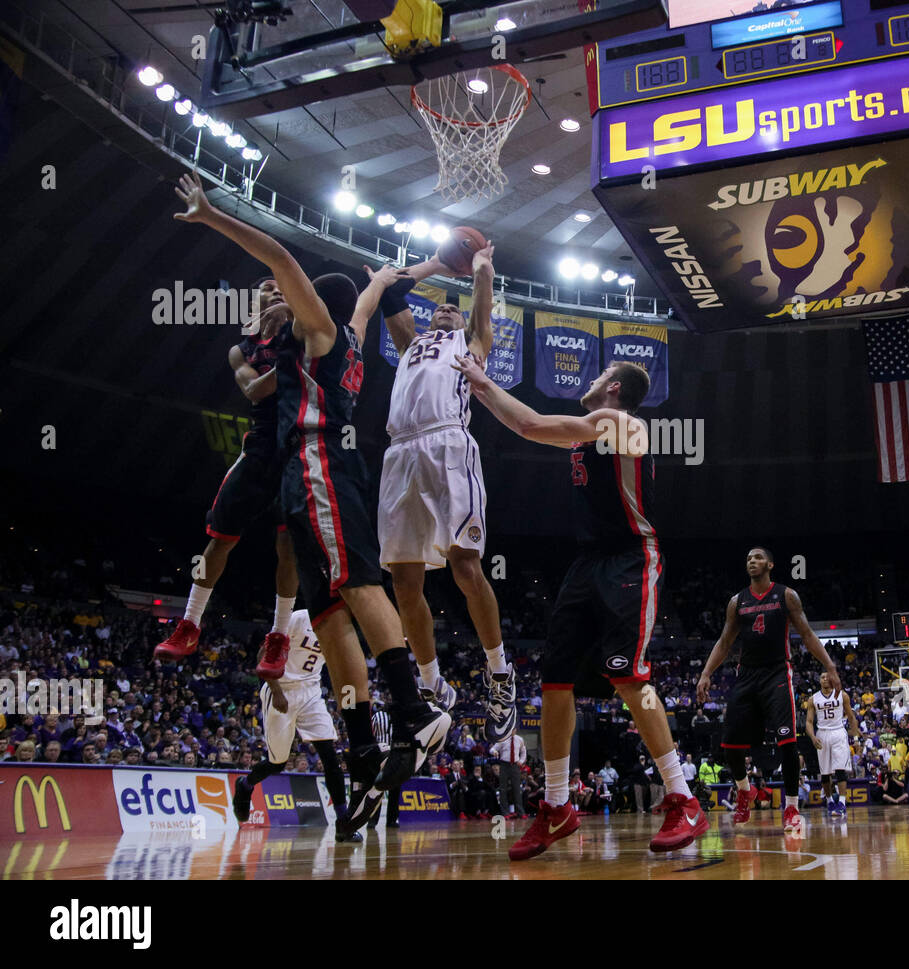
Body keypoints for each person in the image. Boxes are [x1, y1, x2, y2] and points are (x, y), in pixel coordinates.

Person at [170, 173, 450, 836]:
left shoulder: (320, 329)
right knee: (326, 616)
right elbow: (373, 291)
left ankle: (416, 709)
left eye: (293, 304)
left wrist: (213, 217)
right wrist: (409, 270)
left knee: (356, 583)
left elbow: (282, 261)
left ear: (309, 309)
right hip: (307, 470)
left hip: (322, 459)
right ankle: (362, 748)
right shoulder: (343, 330)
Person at [449, 354, 708, 858]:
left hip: (631, 559)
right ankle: (557, 805)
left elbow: (529, 424)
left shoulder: (618, 422)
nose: (589, 382)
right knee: (554, 682)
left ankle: (683, 795)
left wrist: (483, 384)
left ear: (613, 387)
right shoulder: (592, 431)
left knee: (631, 678)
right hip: (588, 563)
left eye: (598, 375)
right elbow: (537, 427)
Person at [374, 246, 516, 741]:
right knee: (404, 581)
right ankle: (433, 685)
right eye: (439, 307)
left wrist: (481, 270)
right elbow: (391, 290)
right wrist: (436, 260)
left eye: (451, 309)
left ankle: (500, 673)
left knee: (464, 564)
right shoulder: (409, 342)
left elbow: (482, 306)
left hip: (448, 445)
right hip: (400, 453)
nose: (445, 310)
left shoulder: (470, 342)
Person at [154, 276, 299, 676]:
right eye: (269, 286)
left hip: (299, 448)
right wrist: (290, 357)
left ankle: (279, 636)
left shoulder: (305, 331)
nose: (278, 288)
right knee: (218, 540)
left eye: (283, 287)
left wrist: (295, 329)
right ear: (255, 302)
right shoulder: (242, 350)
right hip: (259, 449)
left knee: (288, 547)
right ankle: (189, 624)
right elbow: (256, 392)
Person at [695, 547, 842, 835]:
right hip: (746, 675)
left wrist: (830, 666)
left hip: (777, 672)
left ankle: (791, 807)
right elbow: (725, 642)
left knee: (788, 742)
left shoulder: (786, 595)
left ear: (771, 564)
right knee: (730, 746)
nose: (752, 561)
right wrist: (706, 673)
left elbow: (808, 635)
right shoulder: (737, 602)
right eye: (748, 558)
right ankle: (744, 791)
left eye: (758, 557)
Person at [232, 609, 359, 842]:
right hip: (280, 688)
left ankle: (344, 822)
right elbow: (263, 654)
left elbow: (339, 665)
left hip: (311, 691)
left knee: (330, 757)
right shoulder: (297, 618)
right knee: (277, 762)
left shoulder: (340, 624)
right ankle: (245, 784)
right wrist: (277, 690)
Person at [806, 670, 860, 818]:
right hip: (822, 733)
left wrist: (855, 738)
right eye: (822, 677)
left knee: (840, 770)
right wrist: (812, 737)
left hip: (838, 732)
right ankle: (829, 801)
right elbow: (809, 722)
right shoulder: (813, 699)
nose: (824, 679)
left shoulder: (842, 695)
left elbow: (850, 716)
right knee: (825, 773)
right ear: (819, 681)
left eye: (826, 677)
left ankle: (841, 803)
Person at [491, 730, 527, 818]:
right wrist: (494, 752)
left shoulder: (519, 739)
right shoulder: (502, 739)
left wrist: (521, 761)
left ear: (515, 730)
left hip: (515, 765)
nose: (512, 731)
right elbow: (492, 749)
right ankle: (505, 813)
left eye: (514, 729)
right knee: (503, 789)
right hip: (504, 765)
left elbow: (523, 751)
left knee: (517, 789)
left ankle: (520, 812)